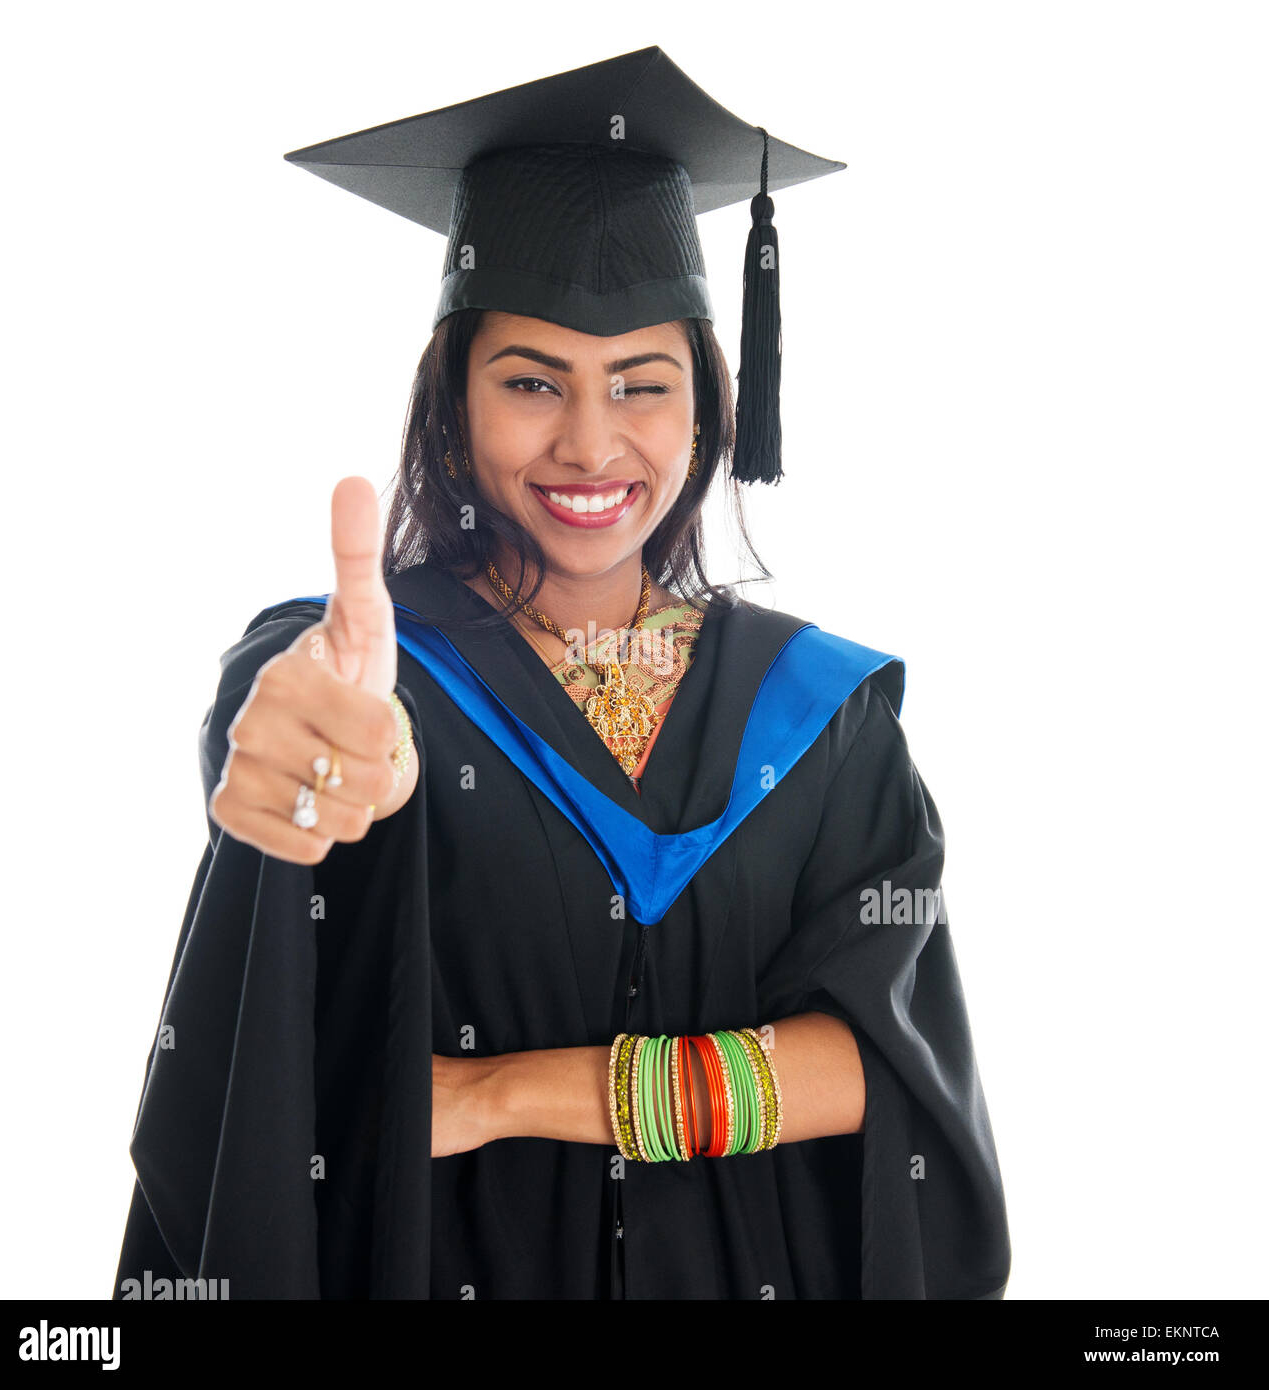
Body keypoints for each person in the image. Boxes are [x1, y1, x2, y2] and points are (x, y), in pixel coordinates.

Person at [113, 47, 1011, 1300]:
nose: (588, 442)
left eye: (641, 384)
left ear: (706, 403)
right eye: (530, 382)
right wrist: (302, 740)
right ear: (453, 402)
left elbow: (876, 1069)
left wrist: (498, 1093)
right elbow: (290, 719)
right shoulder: (373, 666)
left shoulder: (825, 714)